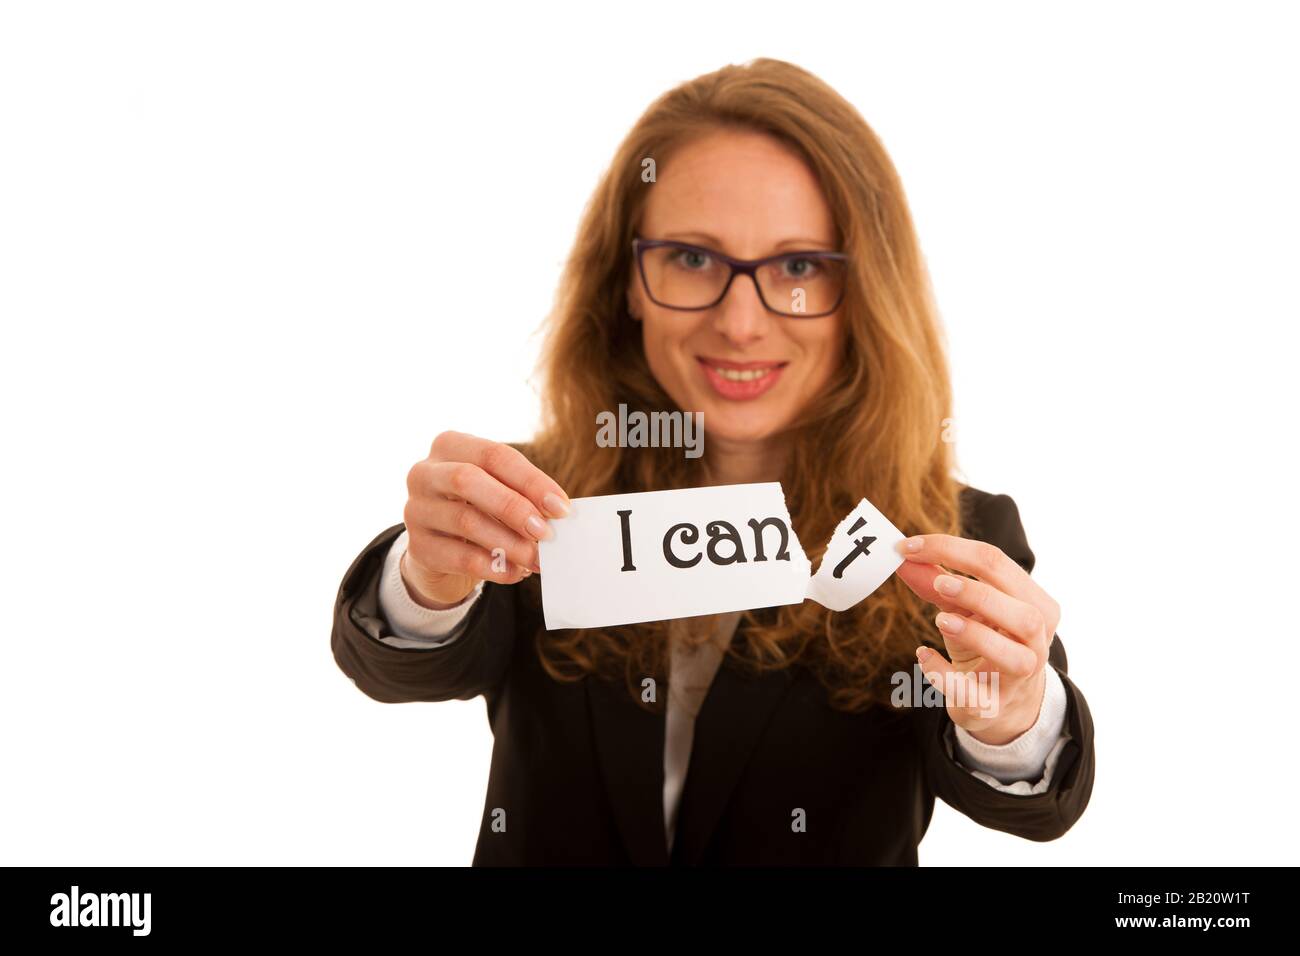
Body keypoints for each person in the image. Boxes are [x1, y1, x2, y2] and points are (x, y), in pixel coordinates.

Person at [330, 57, 1095, 865]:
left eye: (798, 267)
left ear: (863, 292)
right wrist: (427, 578)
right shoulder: (530, 502)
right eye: (693, 258)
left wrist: (1010, 711)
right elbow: (398, 669)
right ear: (626, 279)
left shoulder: (954, 535)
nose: (739, 323)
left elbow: (1033, 805)